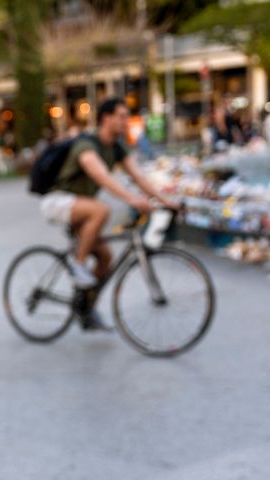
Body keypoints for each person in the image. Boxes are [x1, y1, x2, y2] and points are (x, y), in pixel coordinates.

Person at [39, 97, 180, 327]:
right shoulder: (86, 144)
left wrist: (167, 201)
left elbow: (139, 176)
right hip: (58, 202)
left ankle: (85, 308)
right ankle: (78, 265)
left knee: (105, 258)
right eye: (122, 116)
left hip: (81, 207)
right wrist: (133, 199)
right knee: (101, 210)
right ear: (106, 118)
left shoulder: (116, 147)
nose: (126, 122)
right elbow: (101, 176)